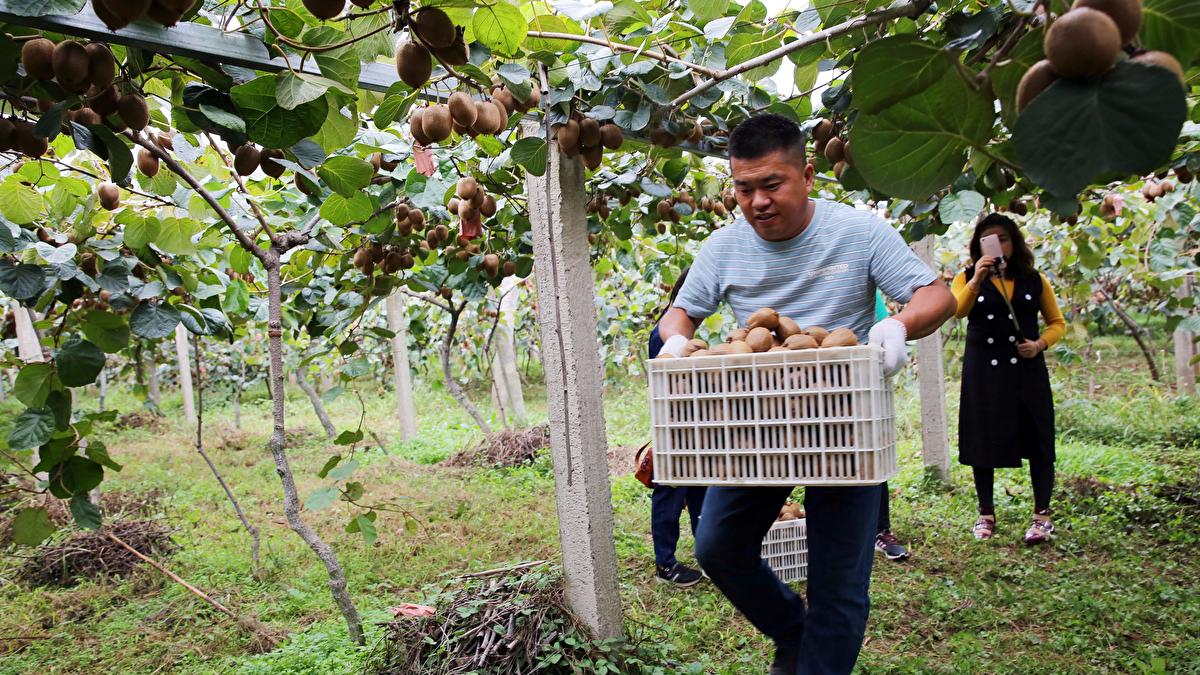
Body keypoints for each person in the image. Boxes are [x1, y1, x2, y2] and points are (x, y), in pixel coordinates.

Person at [658, 114, 956, 675]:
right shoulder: (723, 247)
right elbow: (682, 312)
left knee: (839, 583)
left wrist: (897, 327)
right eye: (744, 188)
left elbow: (935, 294)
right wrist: (676, 342)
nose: (758, 201)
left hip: (845, 426)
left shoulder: (858, 231)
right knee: (718, 546)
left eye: (772, 184)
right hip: (758, 427)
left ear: (809, 175)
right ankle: (795, 633)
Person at [952, 213, 1065, 545]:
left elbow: (1057, 322)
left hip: (1026, 370)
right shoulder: (967, 276)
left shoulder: (1034, 279)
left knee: (1038, 437)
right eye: (989, 239)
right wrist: (977, 279)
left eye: (1003, 238)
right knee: (982, 435)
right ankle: (985, 513)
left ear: (1014, 242)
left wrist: (1040, 344)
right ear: (978, 246)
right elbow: (957, 310)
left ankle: (1042, 516)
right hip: (984, 369)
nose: (998, 245)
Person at [647, 268, 708, 588]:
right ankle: (665, 564)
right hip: (675, 427)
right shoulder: (666, 336)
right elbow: (668, 382)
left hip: (691, 427)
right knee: (670, 493)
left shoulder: (681, 335)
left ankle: (708, 555)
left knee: (700, 490)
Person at [872, 291, 909, 561]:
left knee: (872, 455)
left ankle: (880, 531)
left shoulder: (858, 278)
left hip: (861, 379)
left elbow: (886, 322)